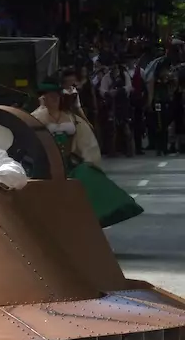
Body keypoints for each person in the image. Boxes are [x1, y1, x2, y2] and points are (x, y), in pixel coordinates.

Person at [32, 78, 142, 228]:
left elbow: (86, 140)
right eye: (50, 97)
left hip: (70, 162)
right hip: (49, 164)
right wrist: (42, 110)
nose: (54, 100)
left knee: (88, 177)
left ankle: (97, 216)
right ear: (43, 98)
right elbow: (32, 135)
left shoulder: (71, 118)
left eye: (57, 96)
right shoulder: (37, 117)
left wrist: (90, 160)